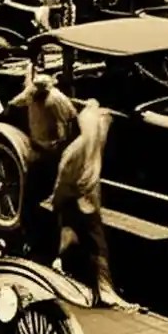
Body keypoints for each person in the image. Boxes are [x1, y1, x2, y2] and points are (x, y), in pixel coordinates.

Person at [46, 100, 124, 308]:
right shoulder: (78, 149)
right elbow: (62, 180)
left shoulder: (91, 141)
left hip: (81, 198)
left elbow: (104, 121)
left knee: (71, 236)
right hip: (78, 199)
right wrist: (57, 199)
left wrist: (96, 109)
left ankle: (60, 268)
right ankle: (105, 291)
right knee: (97, 246)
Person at [8, 63, 79, 181]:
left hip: (52, 143)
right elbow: (18, 101)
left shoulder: (55, 99)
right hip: (40, 140)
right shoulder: (34, 94)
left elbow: (72, 115)